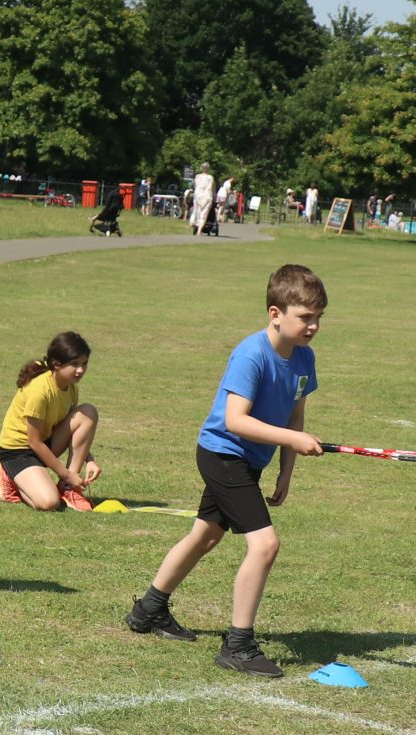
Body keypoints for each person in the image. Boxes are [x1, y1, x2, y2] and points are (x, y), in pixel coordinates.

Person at [125, 264, 326, 676]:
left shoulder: (304, 360)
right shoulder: (252, 354)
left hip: (251, 461)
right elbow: (235, 420)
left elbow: (295, 414)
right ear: (276, 313)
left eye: (319, 317)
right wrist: (290, 442)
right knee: (265, 544)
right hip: (222, 452)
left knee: (205, 536)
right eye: (305, 317)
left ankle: (149, 609)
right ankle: (238, 645)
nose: (314, 326)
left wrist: (287, 471)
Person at [0, 332, 101, 511]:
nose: (81, 370)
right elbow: (33, 441)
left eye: (84, 364)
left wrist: (89, 460)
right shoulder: (40, 391)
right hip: (18, 452)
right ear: (57, 364)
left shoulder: (70, 388)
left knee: (88, 412)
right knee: (49, 503)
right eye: (74, 364)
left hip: (44, 444)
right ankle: (8, 475)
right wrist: (66, 474)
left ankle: (69, 490)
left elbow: (72, 432)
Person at [189, 166, 215, 237]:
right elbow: (213, 189)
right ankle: (199, 231)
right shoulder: (210, 178)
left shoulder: (197, 177)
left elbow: (195, 186)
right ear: (208, 169)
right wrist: (214, 196)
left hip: (198, 195)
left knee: (196, 211)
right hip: (207, 196)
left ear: (201, 168)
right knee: (204, 214)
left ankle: (193, 222)